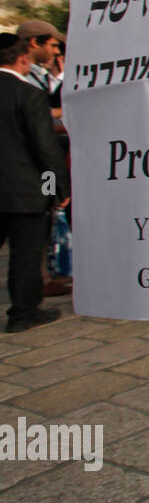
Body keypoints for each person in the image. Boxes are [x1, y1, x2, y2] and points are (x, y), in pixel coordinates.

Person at [0, 32, 71, 333]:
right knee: (26, 254)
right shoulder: (28, 94)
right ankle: (24, 312)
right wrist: (55, 191)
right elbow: (44, 150)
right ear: (23, 58)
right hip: (27, 193)